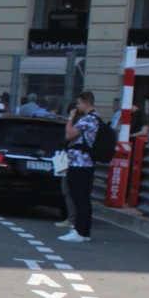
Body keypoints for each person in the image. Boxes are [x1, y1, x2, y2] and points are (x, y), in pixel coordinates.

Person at [59, 91, 101, 244]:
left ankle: (79, 230)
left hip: (80, 163)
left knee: (79, 198)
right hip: (87, 163)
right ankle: (84, 231)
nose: (77, 107)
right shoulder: (97, 118)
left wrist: (71, 117)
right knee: (84, 199)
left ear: (86, 102)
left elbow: (69, 135)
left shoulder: (88, 119)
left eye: (78, 103)